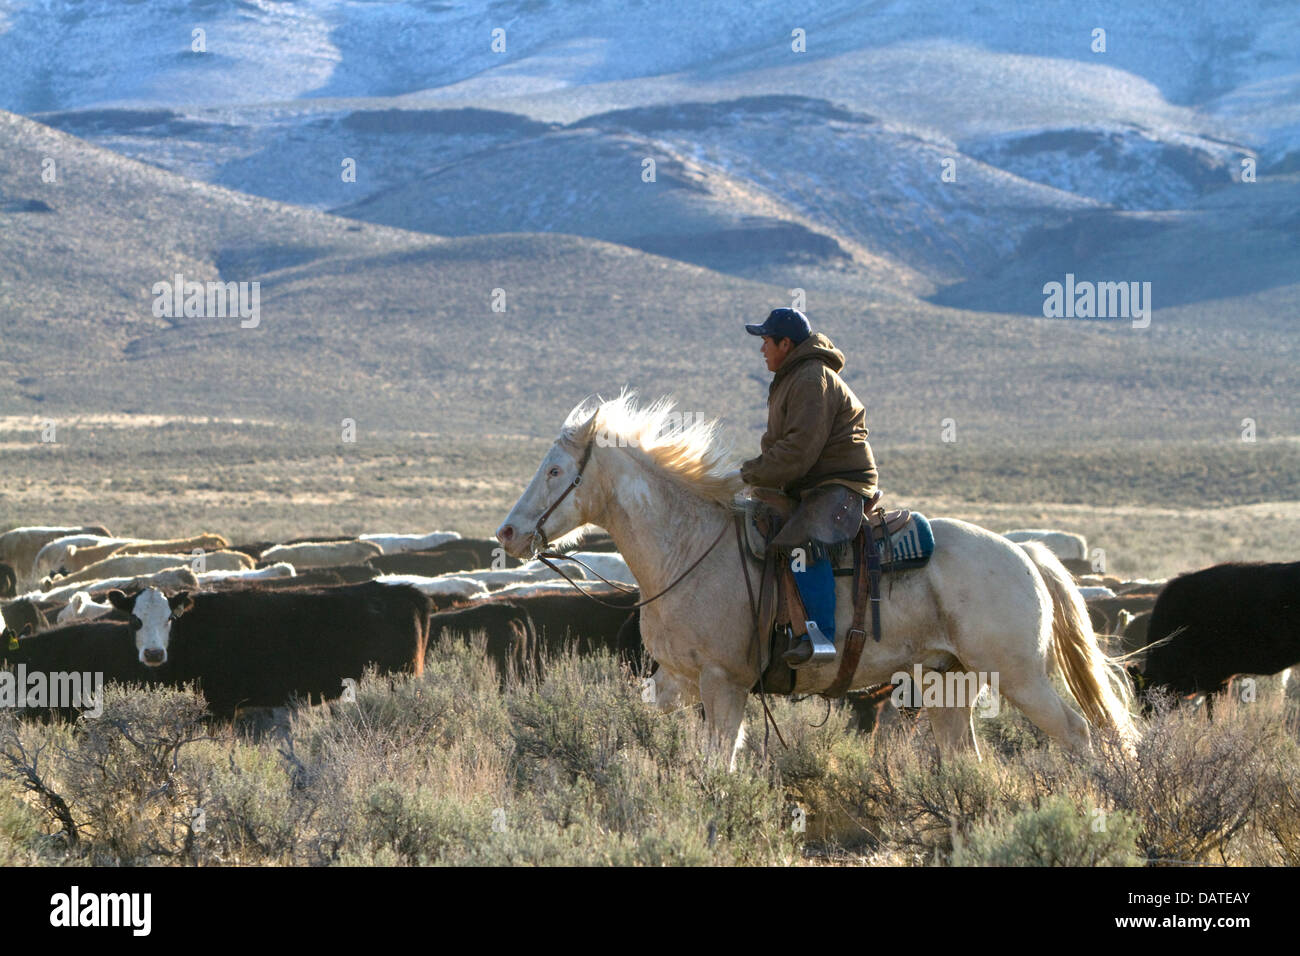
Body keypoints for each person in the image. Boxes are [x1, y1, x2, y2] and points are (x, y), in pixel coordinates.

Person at [738, 308, 879, 666]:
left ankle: (819, 637)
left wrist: (749, 473)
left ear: (786, 344)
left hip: (840, 482)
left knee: (802, 540)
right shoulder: (793, 376)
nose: (762, 350)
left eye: (767, 342)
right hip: (809, 483)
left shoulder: (810, 378)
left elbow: (798, 451)